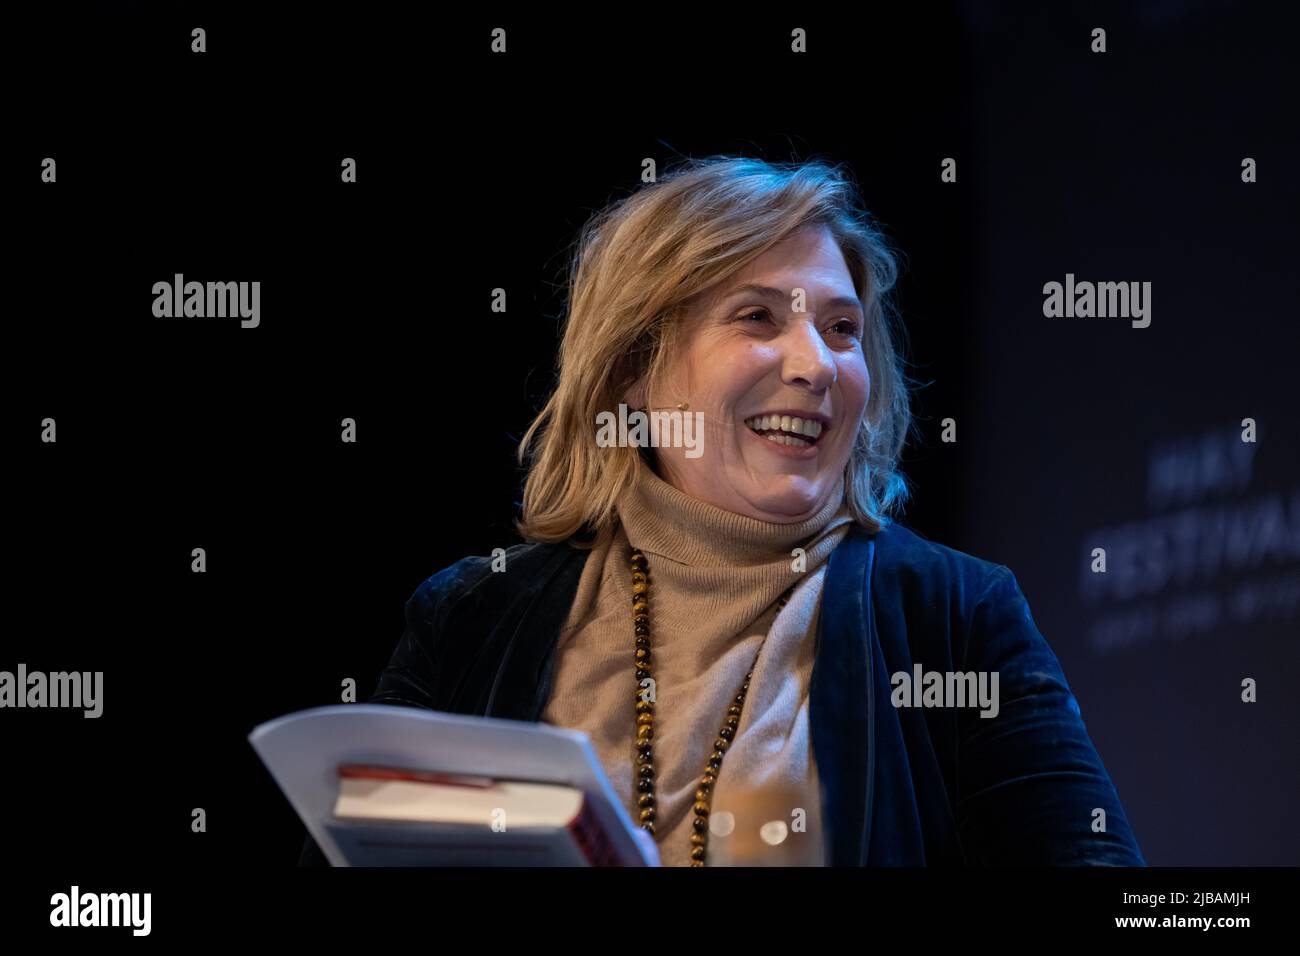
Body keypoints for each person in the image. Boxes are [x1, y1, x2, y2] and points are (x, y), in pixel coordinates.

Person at [297, 156, 1144, 867]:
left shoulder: (953, 617)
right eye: (757, 317)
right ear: (635, 368)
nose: (816, 364)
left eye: (843, 328)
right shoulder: (469, 616)